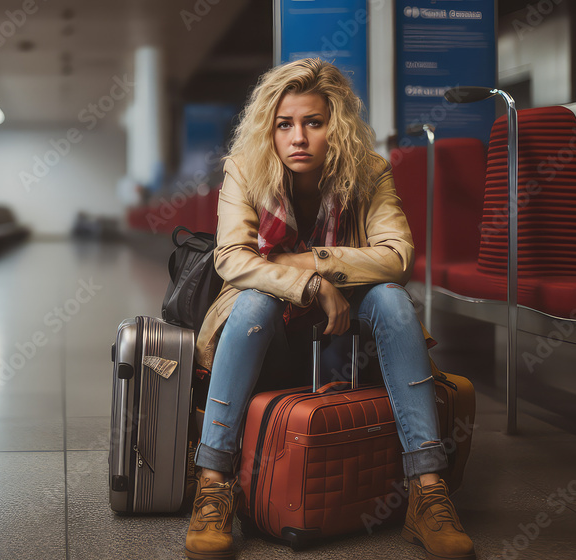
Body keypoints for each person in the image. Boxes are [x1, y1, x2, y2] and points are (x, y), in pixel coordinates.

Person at [183, 59, 476, 560]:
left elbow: (397, 257)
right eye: (284, 124)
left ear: (333, 126)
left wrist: (314, 261)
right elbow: (233, 260)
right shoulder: (245, 168)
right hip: (270, 319)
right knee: (253, 300)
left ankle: (428, 490)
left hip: (352, 326)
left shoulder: (369, 171)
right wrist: (311, 285)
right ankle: (214, 484)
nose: (298, 137)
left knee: (392, 297)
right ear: (269, 130)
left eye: (313, 123)